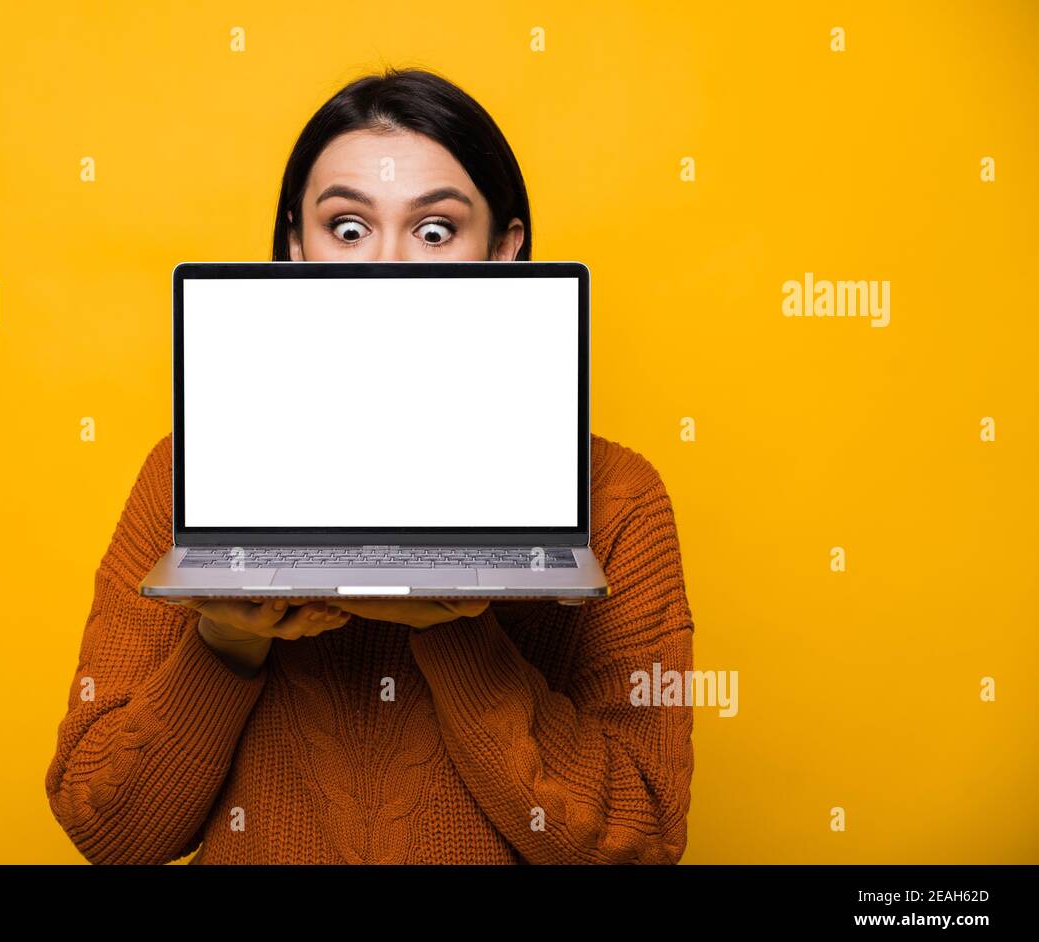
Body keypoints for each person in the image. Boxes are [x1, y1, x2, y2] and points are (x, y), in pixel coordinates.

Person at [45, 66, 695, 864]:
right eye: (348, 228)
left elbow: (643, 845)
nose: (386, 263)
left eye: (434, 231)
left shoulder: (619, 498)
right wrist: (223, 643)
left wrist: (459, 632)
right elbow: (107, 831)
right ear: (295, 248)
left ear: (503, 252)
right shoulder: (185, 477)